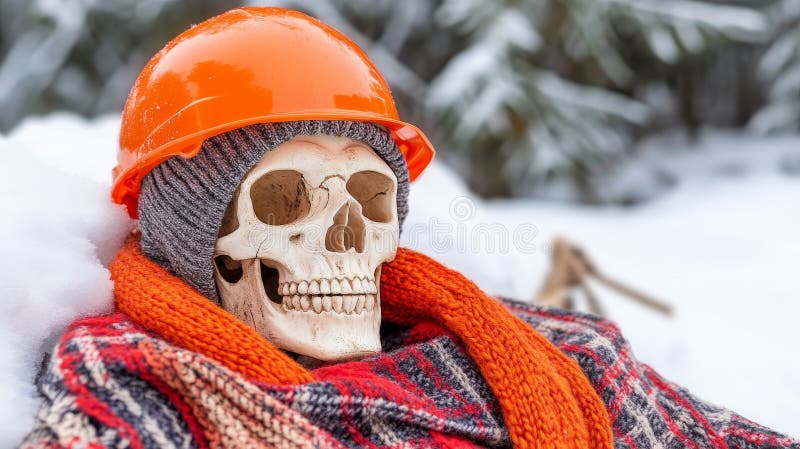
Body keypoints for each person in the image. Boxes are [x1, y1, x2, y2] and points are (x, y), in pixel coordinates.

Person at [21, 7, 799, 449]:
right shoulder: (127, 404)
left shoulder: (554, 359)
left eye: (368, 195)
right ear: (195, 235)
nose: (346, 237)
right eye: (285, 198)